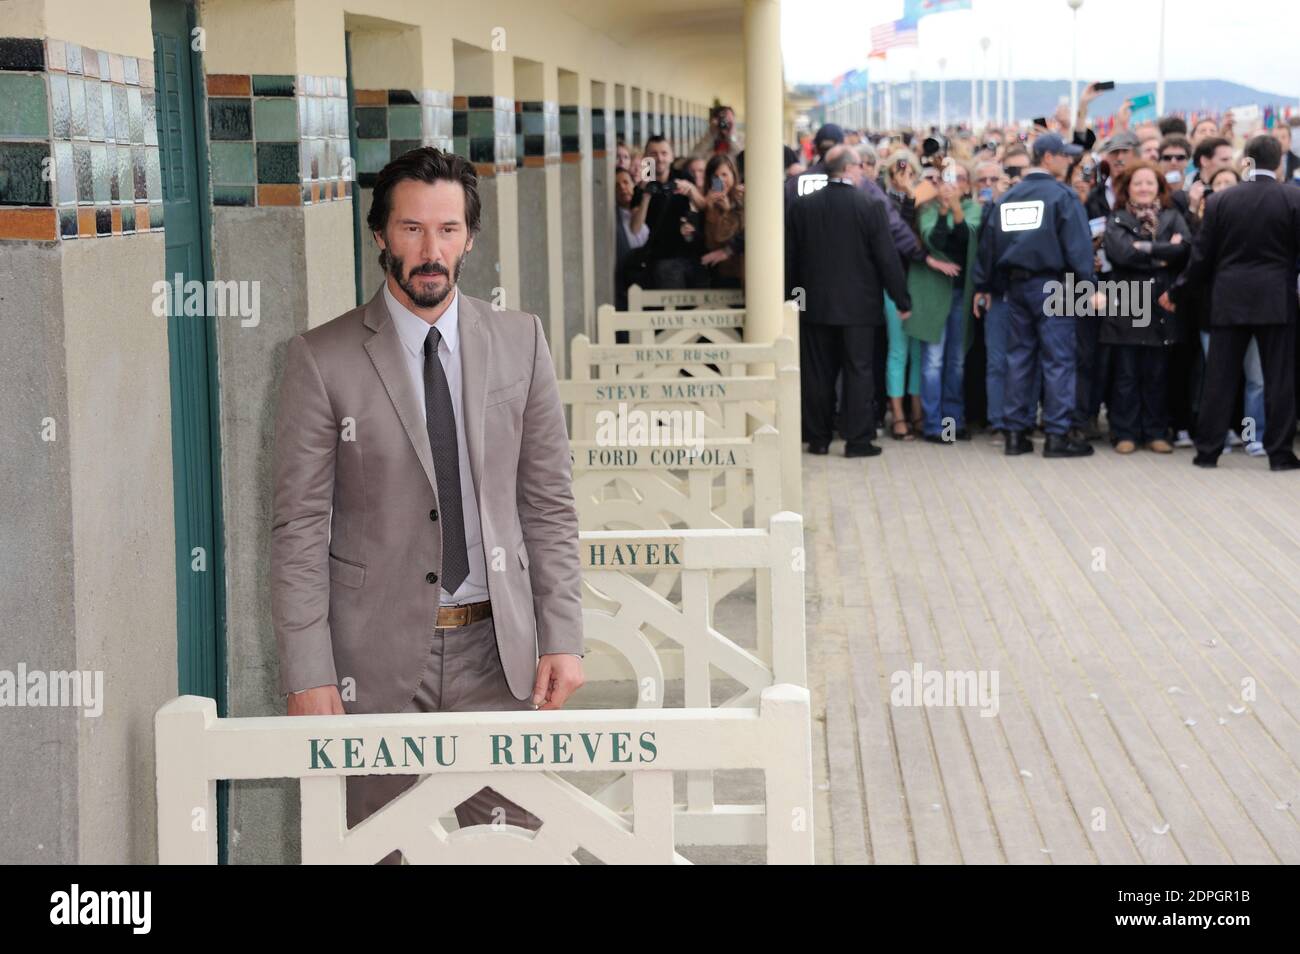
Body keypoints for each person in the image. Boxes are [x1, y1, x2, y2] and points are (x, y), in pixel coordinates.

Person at [271, 148, 584, 862]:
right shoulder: (323, 360)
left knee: (511, 848)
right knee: (379, 852)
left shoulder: (520, 341)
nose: (430, 250)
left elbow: (549, 503)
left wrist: (562, 631)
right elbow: (296, 530)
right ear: (378, 234)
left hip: (495, 655)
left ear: (470, 237)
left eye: (447, 230)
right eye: (411, 229)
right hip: (369, 663)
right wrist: (308, 671)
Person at [1165, 134, 1300, 471]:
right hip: (1276, 299)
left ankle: (1207, 450)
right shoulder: (1293, 197)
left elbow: (1201, 258)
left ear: (1247, 162)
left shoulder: (1222, 201)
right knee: (1278, 378)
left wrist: (1177, 292)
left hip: (1229, 299)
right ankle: (1280, 453)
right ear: (1279, 162)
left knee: (1219, 378)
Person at [974, 133, 1095, 458]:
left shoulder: (1010, 197)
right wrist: (1089, 286)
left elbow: (992, 244)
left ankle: (1015, 434)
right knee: (1058, 360)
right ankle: (1056, 436)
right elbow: (1078, 247)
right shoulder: (1061, 196)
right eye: (1064, 156)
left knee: (1019, 358)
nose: (1069, 161)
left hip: (1017, 288)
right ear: (1048, 157)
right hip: (1053, 286)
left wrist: (986, 285)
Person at [786, 145, 912, 457]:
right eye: (860, 167)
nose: (863, 173)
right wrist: (901, 299)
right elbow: (887, 258)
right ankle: (858, 440)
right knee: (859, 371)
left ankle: (818, 439)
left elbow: (790, 259)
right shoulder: (869, 206)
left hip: (814, 307)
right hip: (860, 307)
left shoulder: (802, 207)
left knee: (818, 374)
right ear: (849, 169)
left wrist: (790, 300)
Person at [1101, 161, 1192, 453]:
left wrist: (1146, 249)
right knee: (1126, 373)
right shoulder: (1116, 218)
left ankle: (1155, 431)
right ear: (1127, 187)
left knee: (1157, 372)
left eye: (1149, 183)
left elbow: (1185, 250)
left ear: (1159, 187)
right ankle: (1124, 432)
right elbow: (1121, 254)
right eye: (1138, 183)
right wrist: (1163, 253)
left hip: (1161, 302)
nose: (1143, 188)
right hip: (1127, 299)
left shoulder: (1172, 216)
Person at [908, 160, 980, 443]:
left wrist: (957, 209)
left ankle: (953, 423)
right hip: (935, 293)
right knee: (933, 362)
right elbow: (934, 240)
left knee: (956, 361)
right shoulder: (927, 210)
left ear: (968, 184)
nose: (954, 183)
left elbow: (965, 241)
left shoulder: (974, 210)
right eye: (949, 178)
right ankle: (933, 425)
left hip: (962, 293)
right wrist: (942, 210)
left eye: (960, 178)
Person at [640, 135, 708, 290]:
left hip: (691, 254)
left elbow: (704, 206)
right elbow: (635, 227)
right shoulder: (644, 182)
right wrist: (645, 193)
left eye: (664, 153)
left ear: (672, 156)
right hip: (661, 258)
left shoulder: (683, 176)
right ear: (646, 157)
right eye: (653, 154)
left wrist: (691, 190)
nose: (659, 158)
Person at [699, 152, 745, 287]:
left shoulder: (743, 197)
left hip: (742, 267)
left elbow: (744, 233)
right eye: (716, 177)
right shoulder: (708, 202)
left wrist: (729, 211)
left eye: (724, 175)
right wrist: (711, 210)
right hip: (721, 270)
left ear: (733, 175)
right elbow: (714, 241)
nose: (721, 180)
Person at [614, 166, 650, 309]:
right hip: (627, 278)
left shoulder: (644, 208)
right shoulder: (615, 217)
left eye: (625, 182)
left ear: (634, 184)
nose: (622, 188)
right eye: (617, 185)